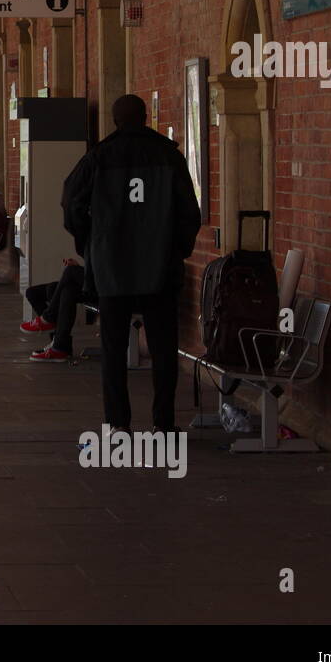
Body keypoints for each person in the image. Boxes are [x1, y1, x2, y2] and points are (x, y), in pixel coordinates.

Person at [62, 94, 201, 433]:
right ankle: (163, 424)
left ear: (115, 120)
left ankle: (117, 423)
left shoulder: (98, 156)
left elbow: (70, 203)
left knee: (112, 348)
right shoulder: (169, 154)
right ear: (145, 116)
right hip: (160, 269)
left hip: (112, 269)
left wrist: (91, 243)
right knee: (164, 349)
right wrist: (175, 249)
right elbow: (189, 212)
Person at [22, 257, 88, 362]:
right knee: (45, 290)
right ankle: (58, 341)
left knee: (69, 280)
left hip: (102, 285)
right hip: (93, 279)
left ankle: (50, 323)